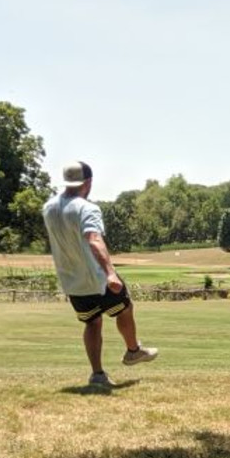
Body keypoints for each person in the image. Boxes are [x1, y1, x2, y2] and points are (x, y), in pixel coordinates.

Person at [42, 161, 158, 386]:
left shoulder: (48, 207)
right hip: (96, 278)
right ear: (88, 182)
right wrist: (110, 273)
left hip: (71, 281)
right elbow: (94, 239)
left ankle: (97, 374)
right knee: (125, 308)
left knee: (92, 323)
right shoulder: (87, 208)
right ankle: (133, 351)